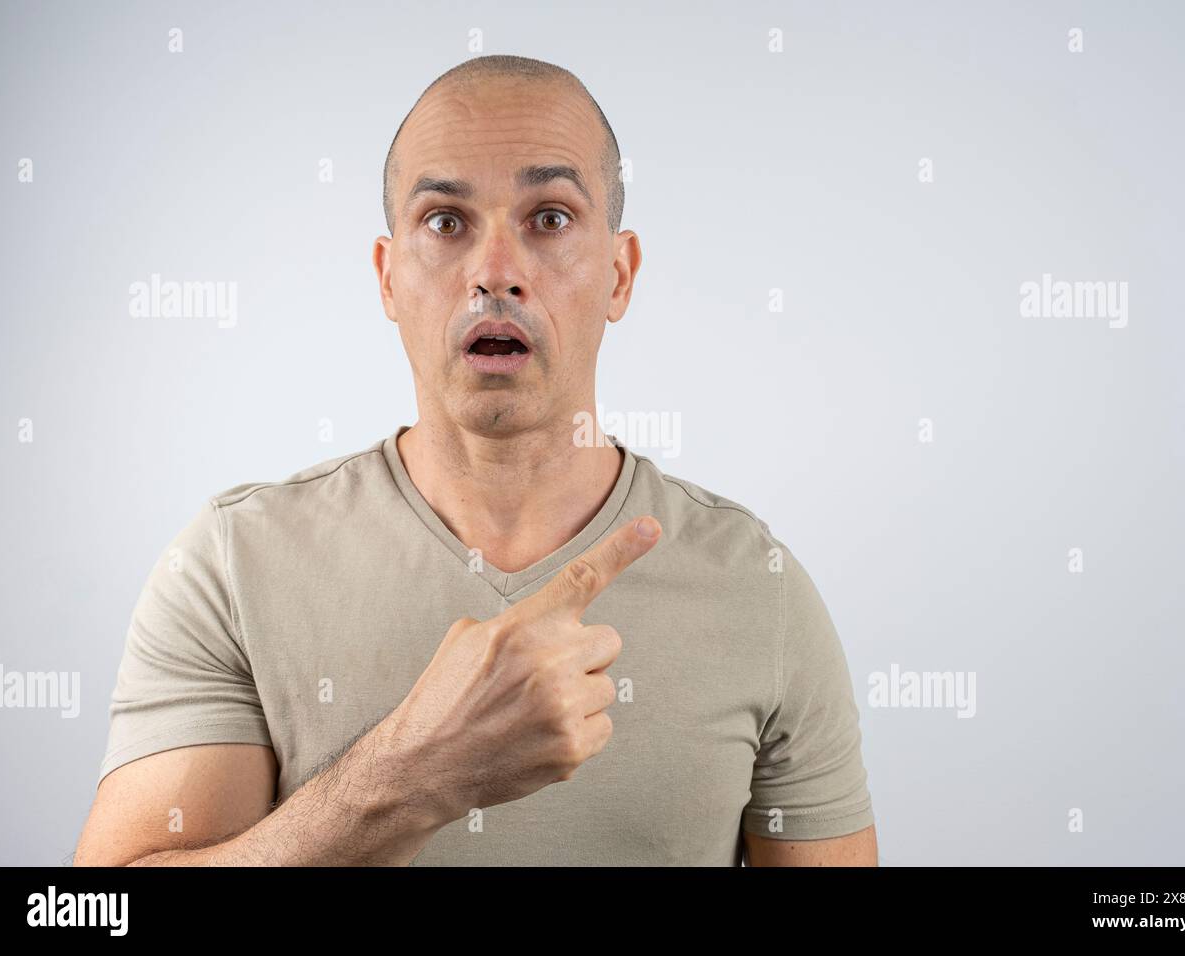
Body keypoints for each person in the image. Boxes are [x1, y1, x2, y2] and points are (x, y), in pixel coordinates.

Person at [73, 54, 877, 866]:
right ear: (388, 278)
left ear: (619, 274)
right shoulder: (231, 565)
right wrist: (419, 773)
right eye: (447, 222)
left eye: (551, 219)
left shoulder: (759, 590)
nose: (496, 274)